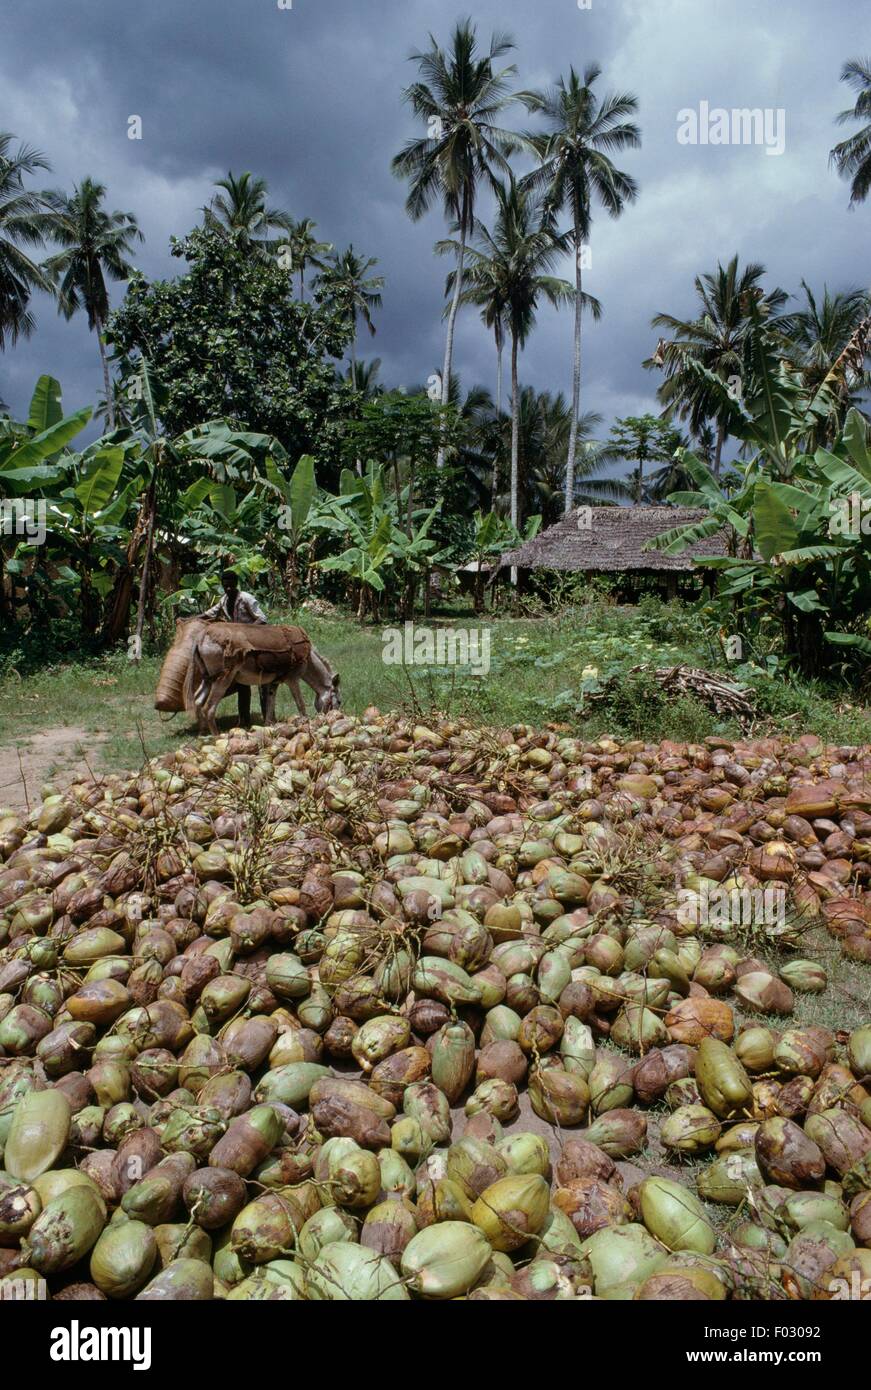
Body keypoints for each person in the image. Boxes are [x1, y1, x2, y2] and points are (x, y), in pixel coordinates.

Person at [198, 569, 267, 727]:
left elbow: (262, 618)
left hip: (257, 642)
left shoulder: (246, 598)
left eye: (231, 585)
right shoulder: (223, 600)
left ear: (236, 584)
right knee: (243, 682)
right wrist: (191, 620)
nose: (228, 588)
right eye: (225, 586)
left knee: (263, 681)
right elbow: (209, 614)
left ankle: (267, 718)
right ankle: (244, 720)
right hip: (239, 646)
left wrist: (245, 630)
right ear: (222, 586)